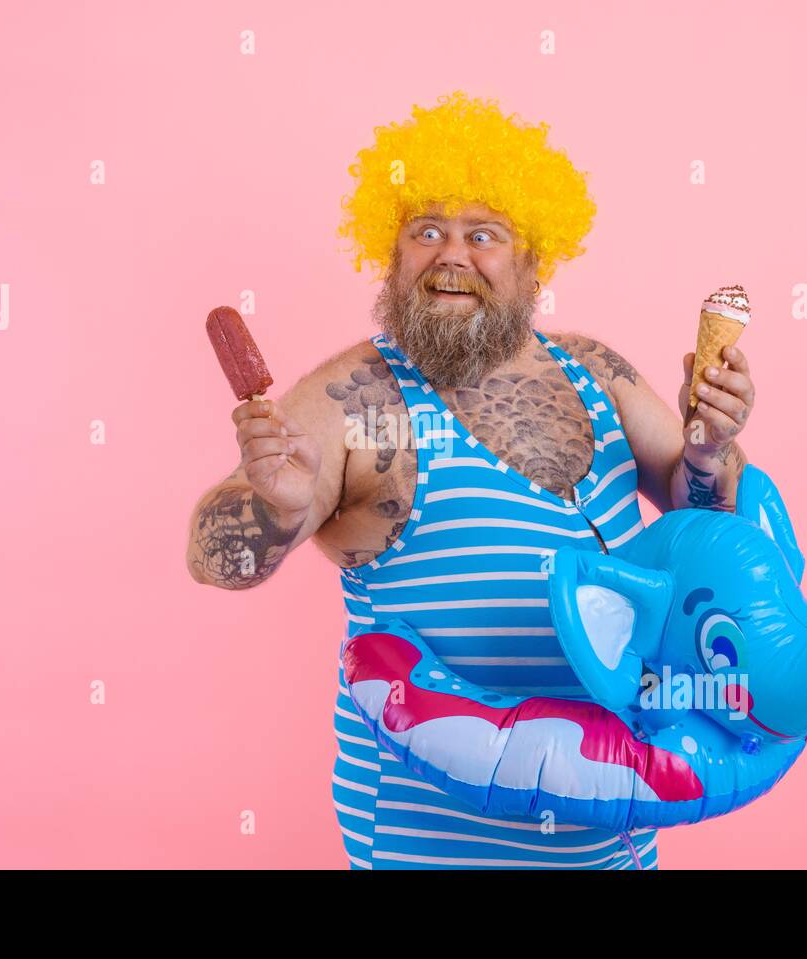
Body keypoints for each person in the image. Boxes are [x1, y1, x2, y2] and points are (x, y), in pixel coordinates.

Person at [187, 92, 757, 869]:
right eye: (426, 230)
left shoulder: (596, 372)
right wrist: (270, 507)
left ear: (532, 259)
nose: (450, 254)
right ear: (391, 254)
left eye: (482, 233)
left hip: (618, 842)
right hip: (438, 850)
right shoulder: (359, 398)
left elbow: (706, 522)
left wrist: (710, 448)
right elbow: (217, 560)